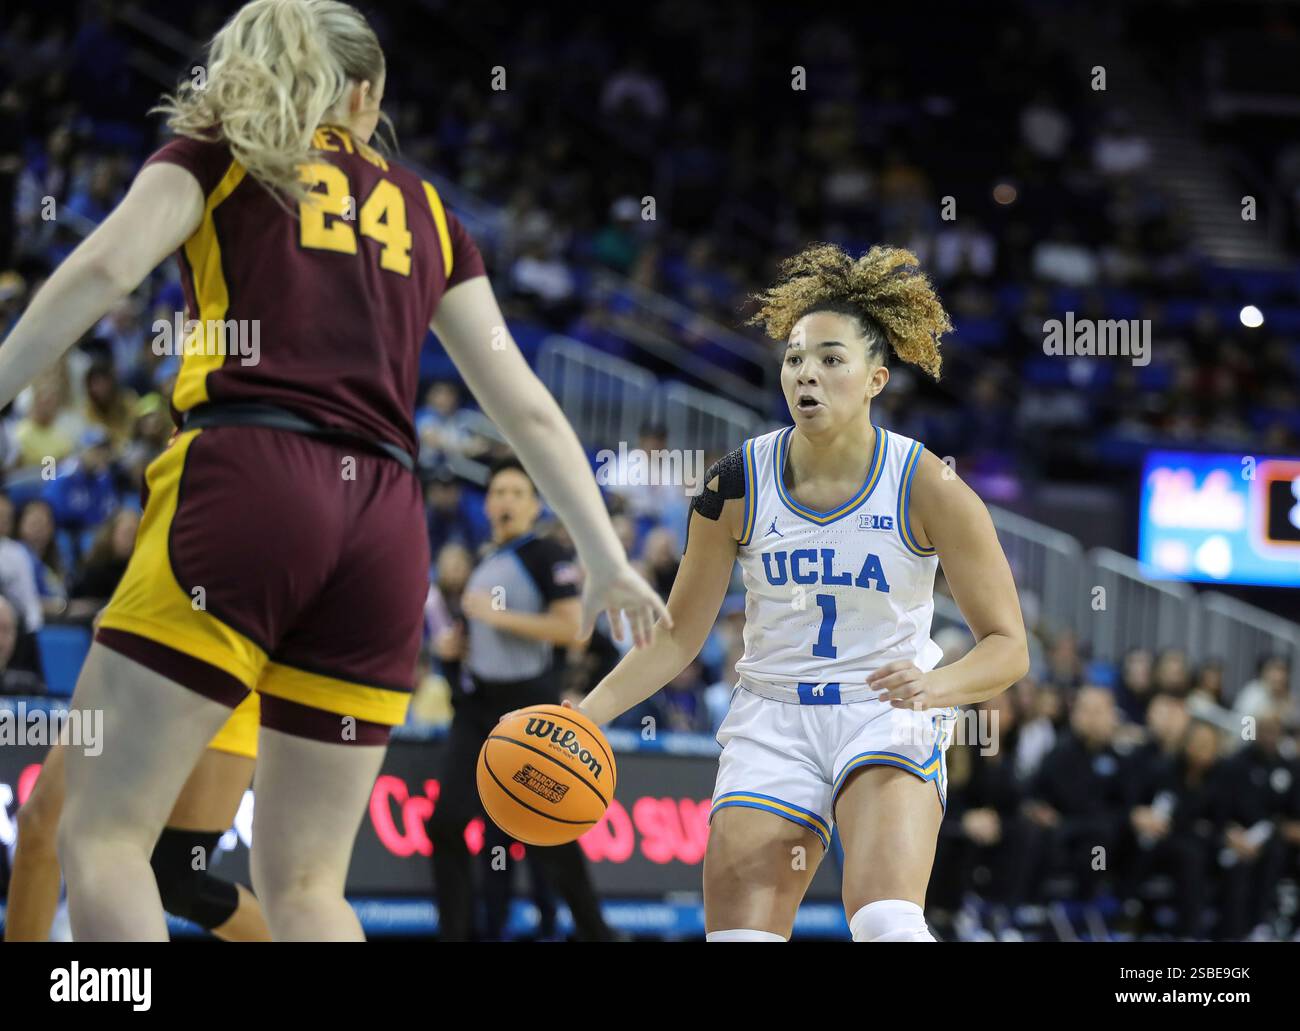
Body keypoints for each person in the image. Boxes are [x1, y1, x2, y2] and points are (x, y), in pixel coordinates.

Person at [0, 0, 664, 942]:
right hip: (386, 523)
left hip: (250, 482)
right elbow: (523, 402)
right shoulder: (431, 212)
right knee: (308, 886)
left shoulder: (220, 153)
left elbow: (106, 267)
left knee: (105, 836)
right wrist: (603, 550)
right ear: (364, 93)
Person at [574, 243, 1029, 941]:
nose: (805, 374)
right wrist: (588, 712)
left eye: (829, 359)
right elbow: (678, 635)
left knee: (886, 922)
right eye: (794, 358)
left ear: (877, 377)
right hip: (771, 719)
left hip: (883, 709)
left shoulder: (928, 484)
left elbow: (1008, 648)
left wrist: (937, 688)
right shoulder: (734, 482)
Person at [429, 456, 613, 941]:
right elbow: (480, 631)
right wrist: (455, 646)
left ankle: (595, 930)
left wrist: (496, 618)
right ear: (486, 504)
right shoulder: (486, 558)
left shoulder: (545, 553)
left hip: (530, 709)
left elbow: (573, 629)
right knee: (446, 822)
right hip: (476, 708)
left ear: (534, 506)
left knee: (551, 829)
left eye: (516, 493)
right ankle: (458, 932)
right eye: (498, 492)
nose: (505, 501)